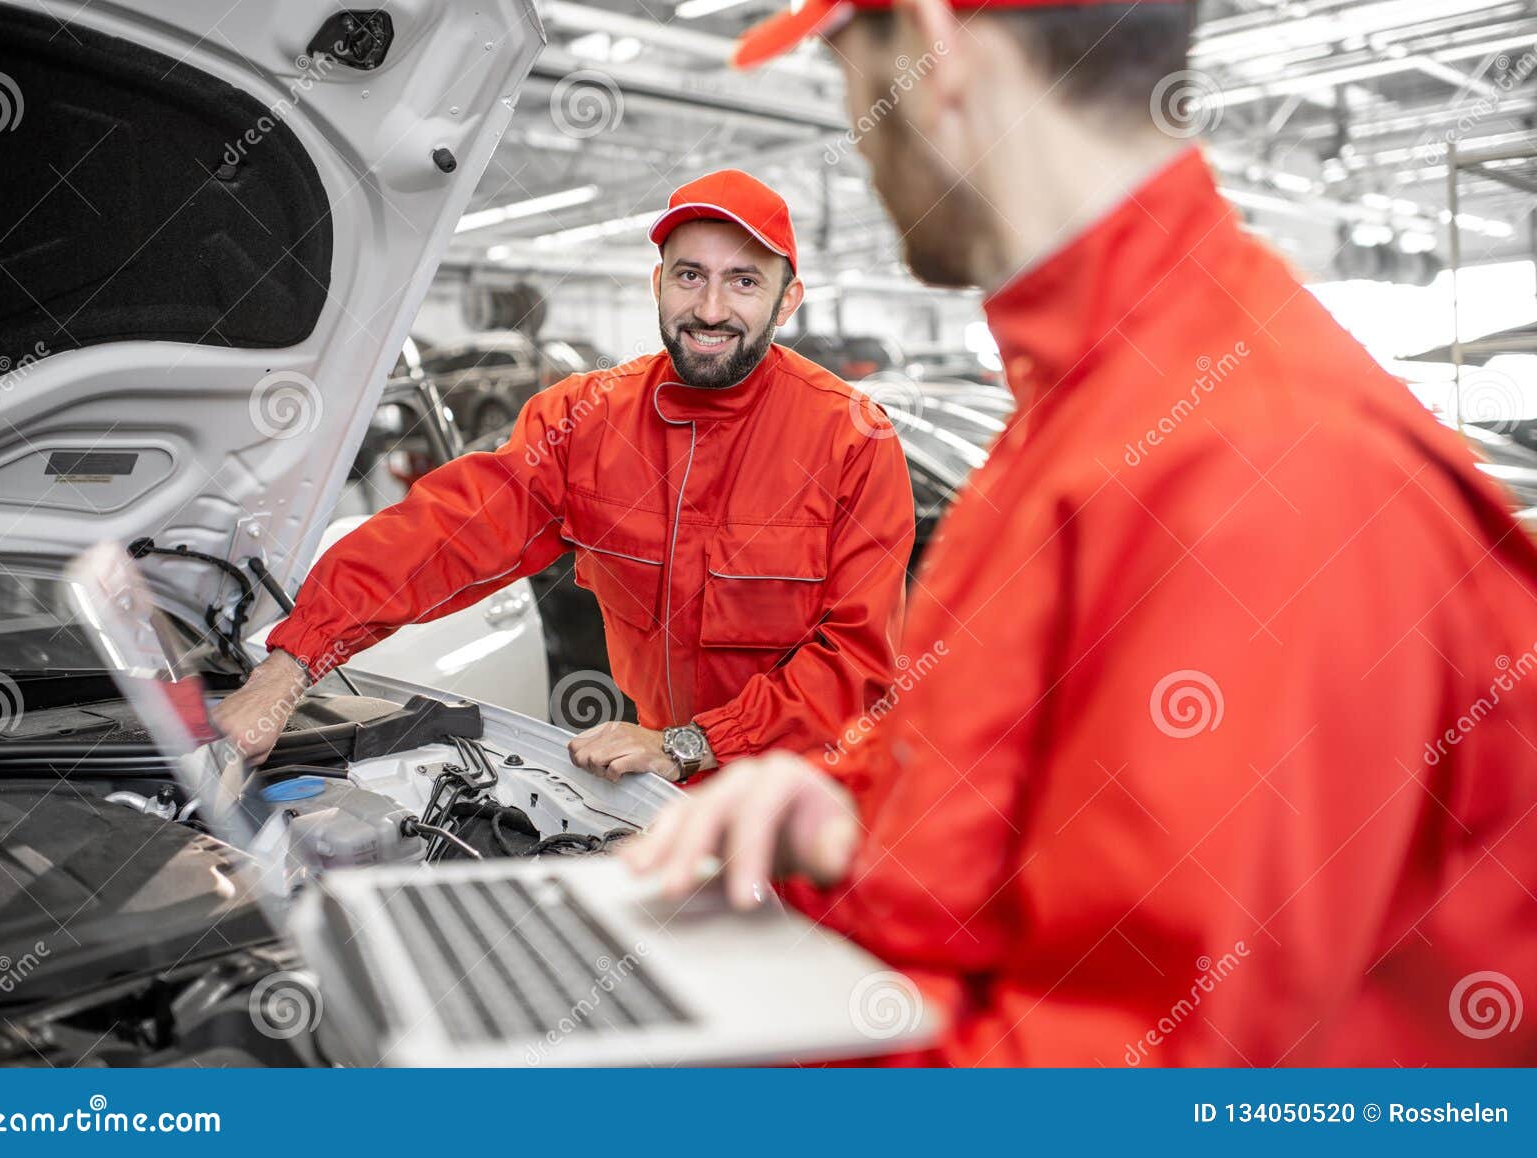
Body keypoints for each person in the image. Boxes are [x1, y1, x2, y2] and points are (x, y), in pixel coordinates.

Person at [625, 0, 1537, 1065]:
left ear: (935, 47)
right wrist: (831, 823)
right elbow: (1008, 837)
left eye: (849, 74)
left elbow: (1149, 1082)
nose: (861, 137)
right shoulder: (1095, 399)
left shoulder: (1251, 460)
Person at [214, 170, 915, 785]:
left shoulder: (851, 437)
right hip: (666, 783)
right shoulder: (586, 419)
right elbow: (444, 533)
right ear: (659, 283)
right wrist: (290, 667)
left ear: (787, 301)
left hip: (813, 792)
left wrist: (692, 743)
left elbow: (856, 663)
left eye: (743, 281)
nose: (709, 310)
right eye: (690, 275)